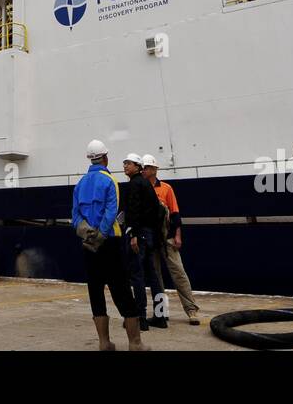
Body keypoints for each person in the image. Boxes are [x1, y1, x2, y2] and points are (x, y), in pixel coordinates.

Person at [72, 140, 146, 351]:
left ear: (89, 158)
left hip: (87, 245)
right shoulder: (110, 180)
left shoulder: (80, 184)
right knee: (121, 288)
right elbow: (111, 212)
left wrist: (89, 234)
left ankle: (104, 342)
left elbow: (75, 217)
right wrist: (101, 235)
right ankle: (135, 343)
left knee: (95, 290)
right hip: (109, 243)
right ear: (105, 158)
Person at [142, 155, 200, 325]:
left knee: (179, 274)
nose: (144, 170)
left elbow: (175, 214)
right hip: (152, 241)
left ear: (154, 170)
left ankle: (191, 311)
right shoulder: (142, 189)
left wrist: (177, 235)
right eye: (143, 167)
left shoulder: (166, 189)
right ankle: (162, 313)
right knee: (156, 279)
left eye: (147, 167)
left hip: (167, 239)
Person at [121, 152, 166, 330]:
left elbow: (133, 211)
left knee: (137, 276)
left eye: (128, 163)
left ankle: (141, 317)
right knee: (153, 276)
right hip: (149, 235)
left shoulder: (134, 184)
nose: (125, 166)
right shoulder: (147, 184)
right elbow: (157, 211)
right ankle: (161, 317)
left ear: (138, 167)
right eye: (124, 163)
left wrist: (133, 235)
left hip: (138, 235)